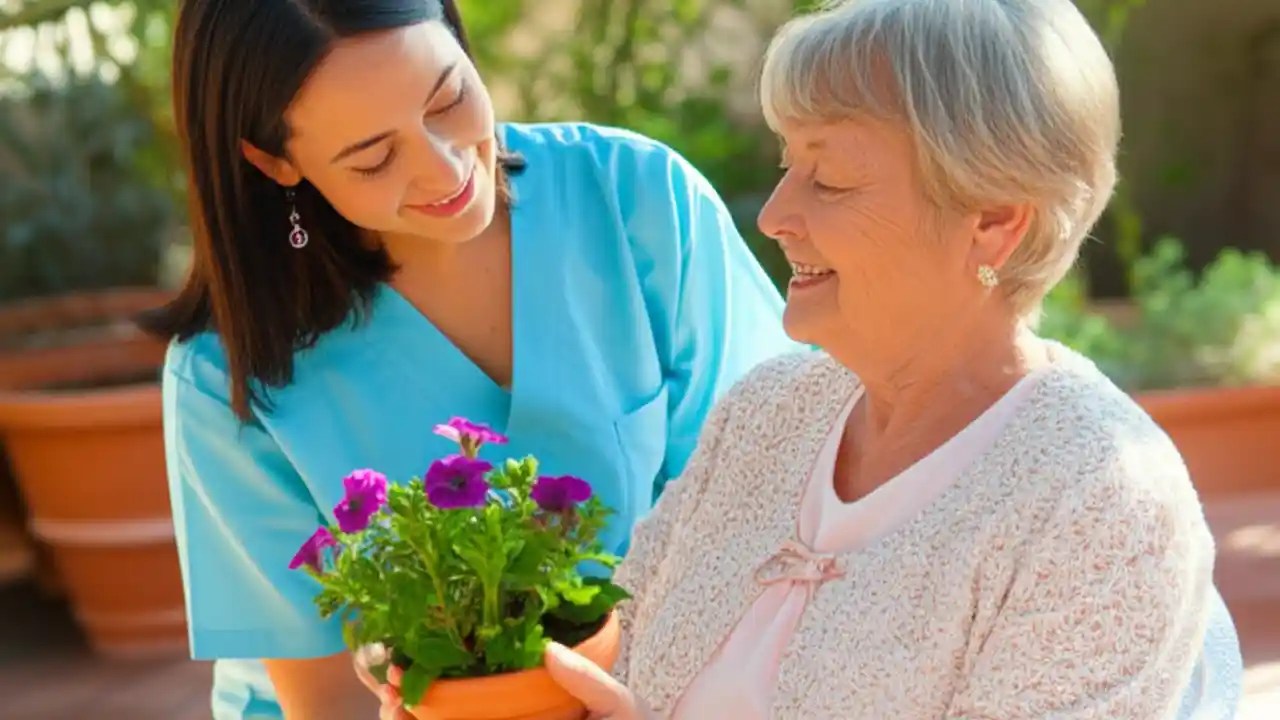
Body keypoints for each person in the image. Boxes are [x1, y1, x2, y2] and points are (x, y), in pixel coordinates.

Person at [514, 0, 1245, 717]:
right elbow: (623, 661)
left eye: (828, 179)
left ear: (992, 222)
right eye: (787, 163)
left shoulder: (1103, 496)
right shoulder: (764, 412)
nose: (772, 216)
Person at [148, 1, 798, 718]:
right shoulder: (228, 372)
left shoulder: (636, 199)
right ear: (275, 162)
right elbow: (325, 703)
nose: (445, 167)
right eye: (374, 156)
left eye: (449, 100)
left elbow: (773, 499)